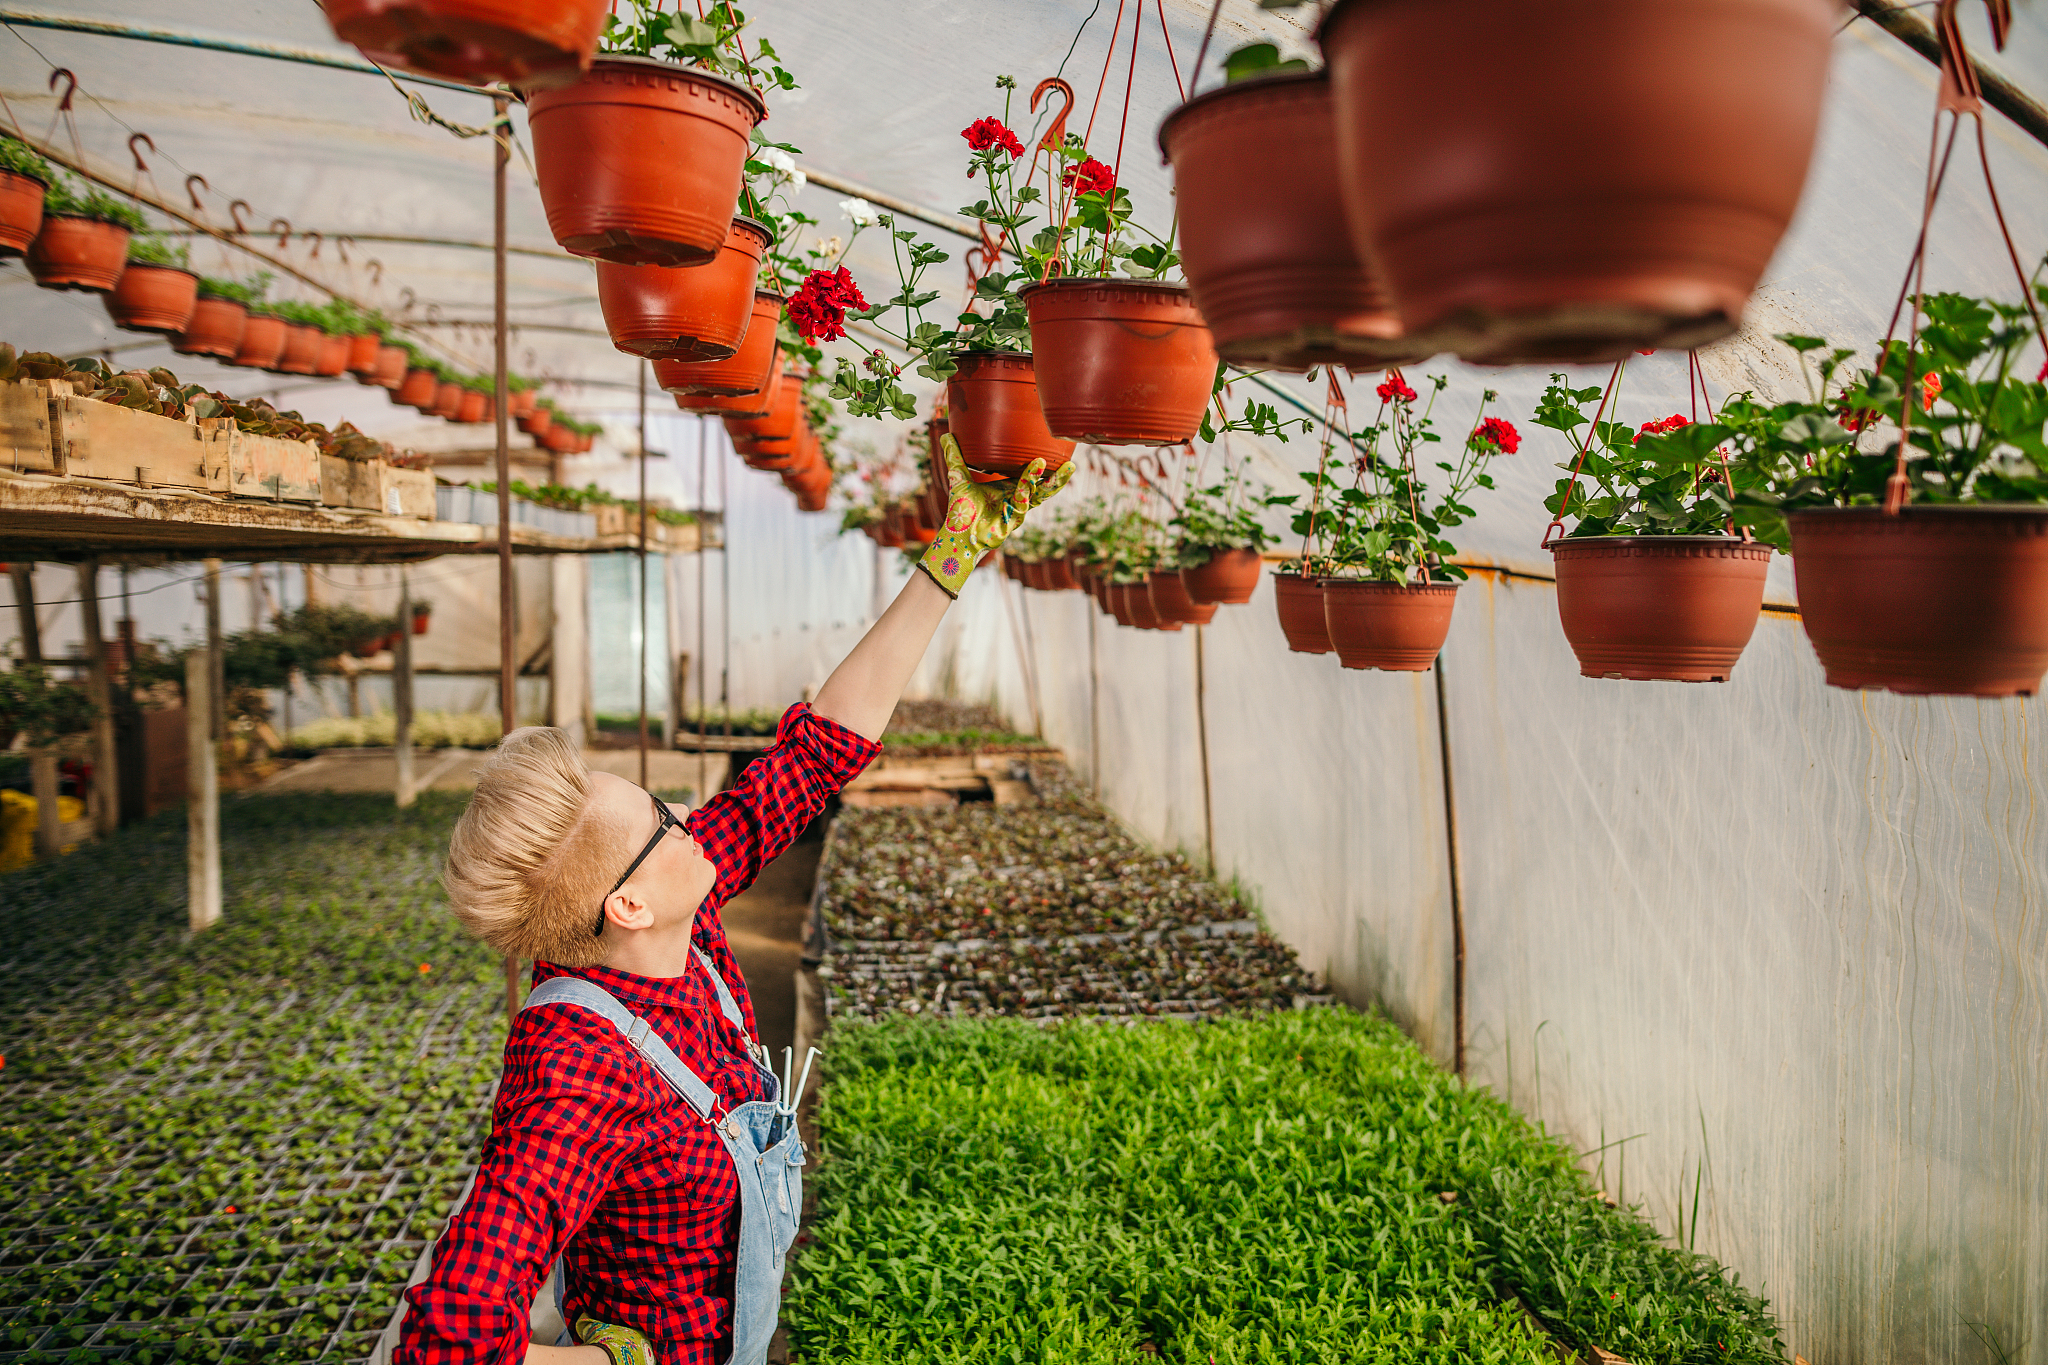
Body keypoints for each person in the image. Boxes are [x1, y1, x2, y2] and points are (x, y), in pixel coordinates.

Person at [394, 441, 1070, 1365]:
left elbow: (814, 754)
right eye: (666, 820)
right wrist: (607, 1360)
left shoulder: (681, 926)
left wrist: (952, 559)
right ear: (627, 903)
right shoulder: (577, 1067)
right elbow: (447, 1342)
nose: (691, 822)